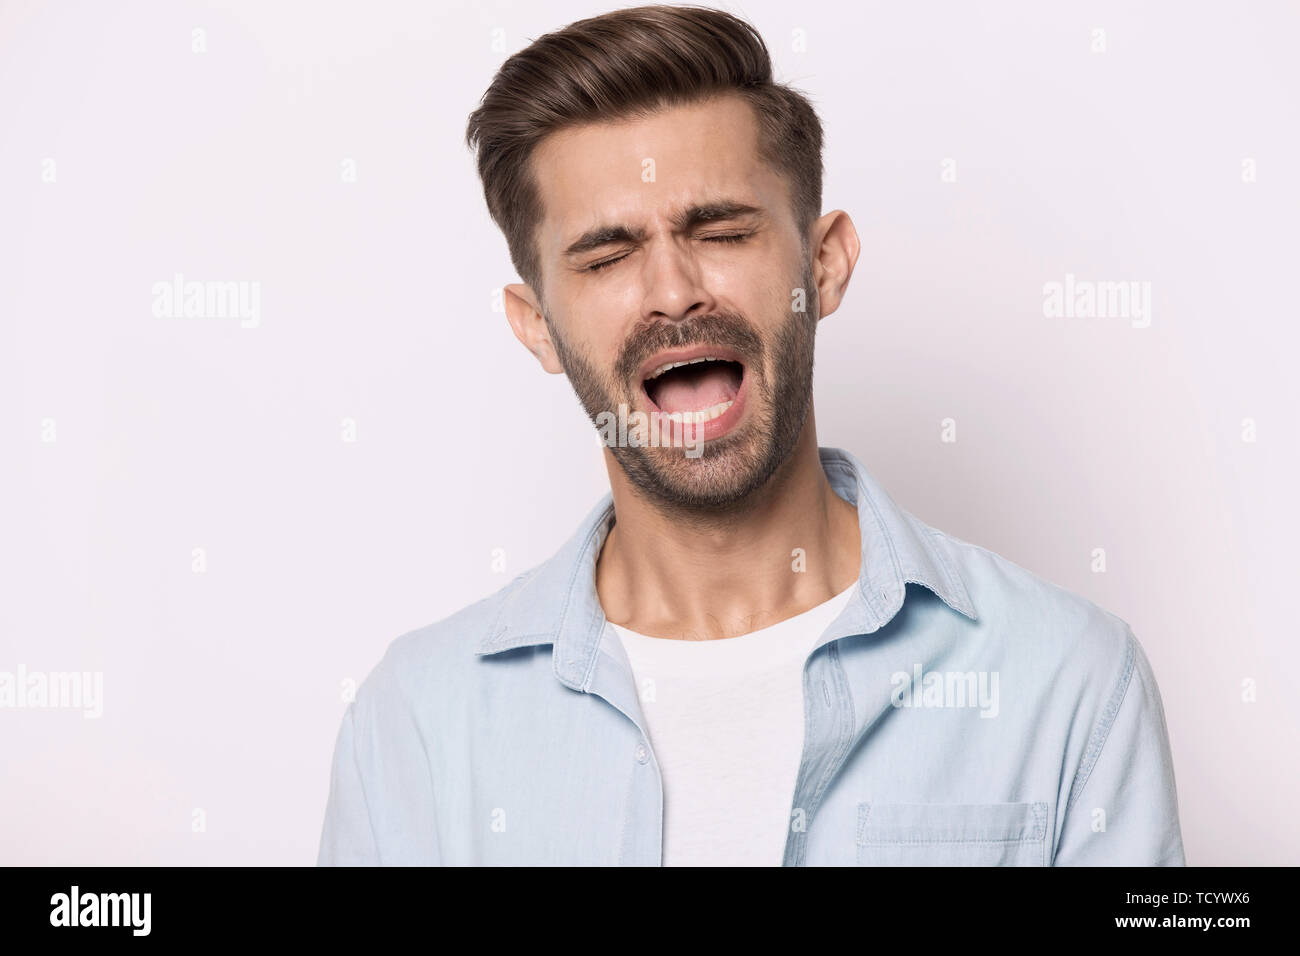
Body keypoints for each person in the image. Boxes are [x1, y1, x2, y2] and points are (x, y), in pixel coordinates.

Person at [317, 4, 1185, 866]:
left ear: (825, 263)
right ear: (536, 325)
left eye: (722, 231)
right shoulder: (417, 725)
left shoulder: (1067, 680)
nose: (673, 290)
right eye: (606, 257)